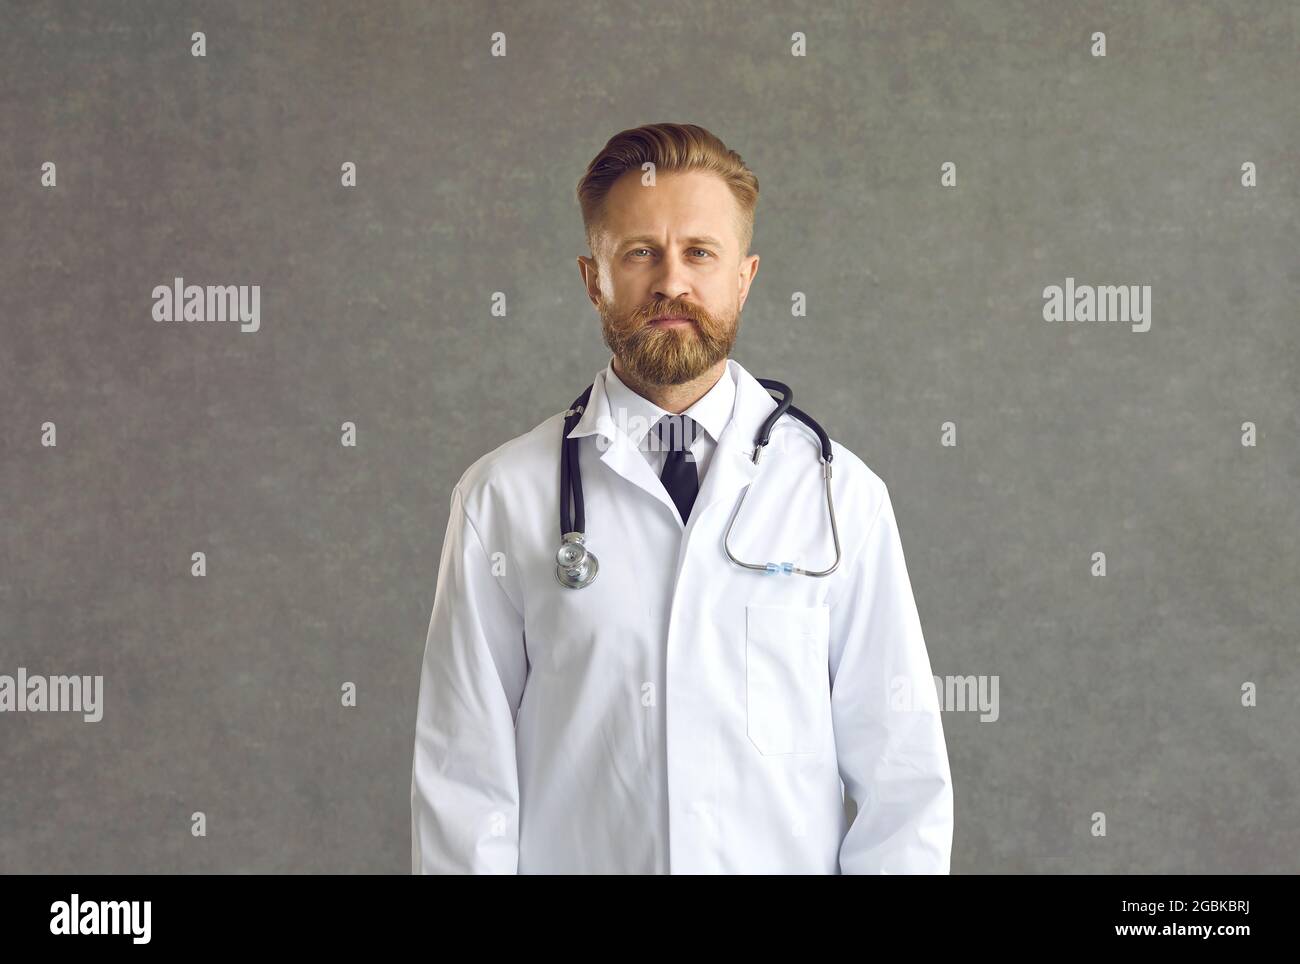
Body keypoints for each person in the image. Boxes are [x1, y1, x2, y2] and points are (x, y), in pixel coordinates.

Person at [411, 122, 953, 874]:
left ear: (745, 275)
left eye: (701, 252)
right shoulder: (501, 500)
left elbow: (905, 785)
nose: (672, 281)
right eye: (640, 253)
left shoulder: (838, 497)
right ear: (591, 277)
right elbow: (463, 788)